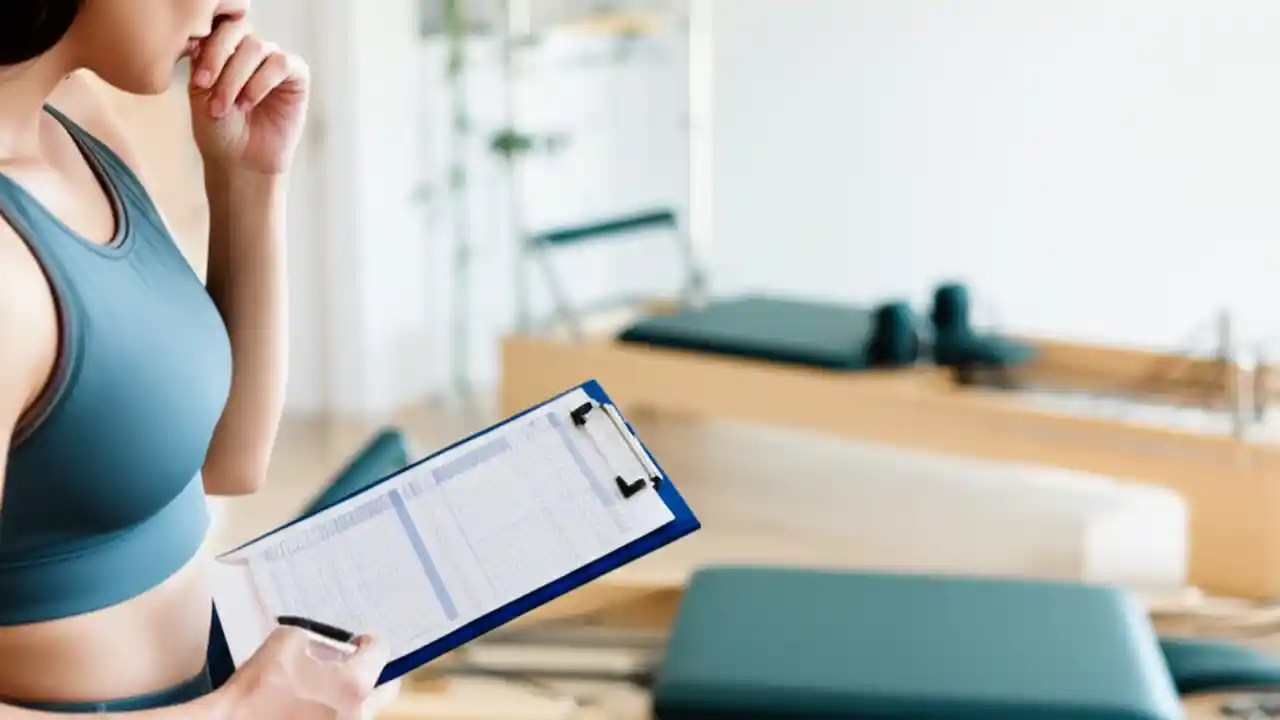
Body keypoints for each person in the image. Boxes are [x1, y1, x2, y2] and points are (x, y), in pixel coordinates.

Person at [0, 0, 393, 716]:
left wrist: (249, 178)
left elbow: (226, 462)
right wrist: (237, 712)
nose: (233, 6)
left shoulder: (78, 119)